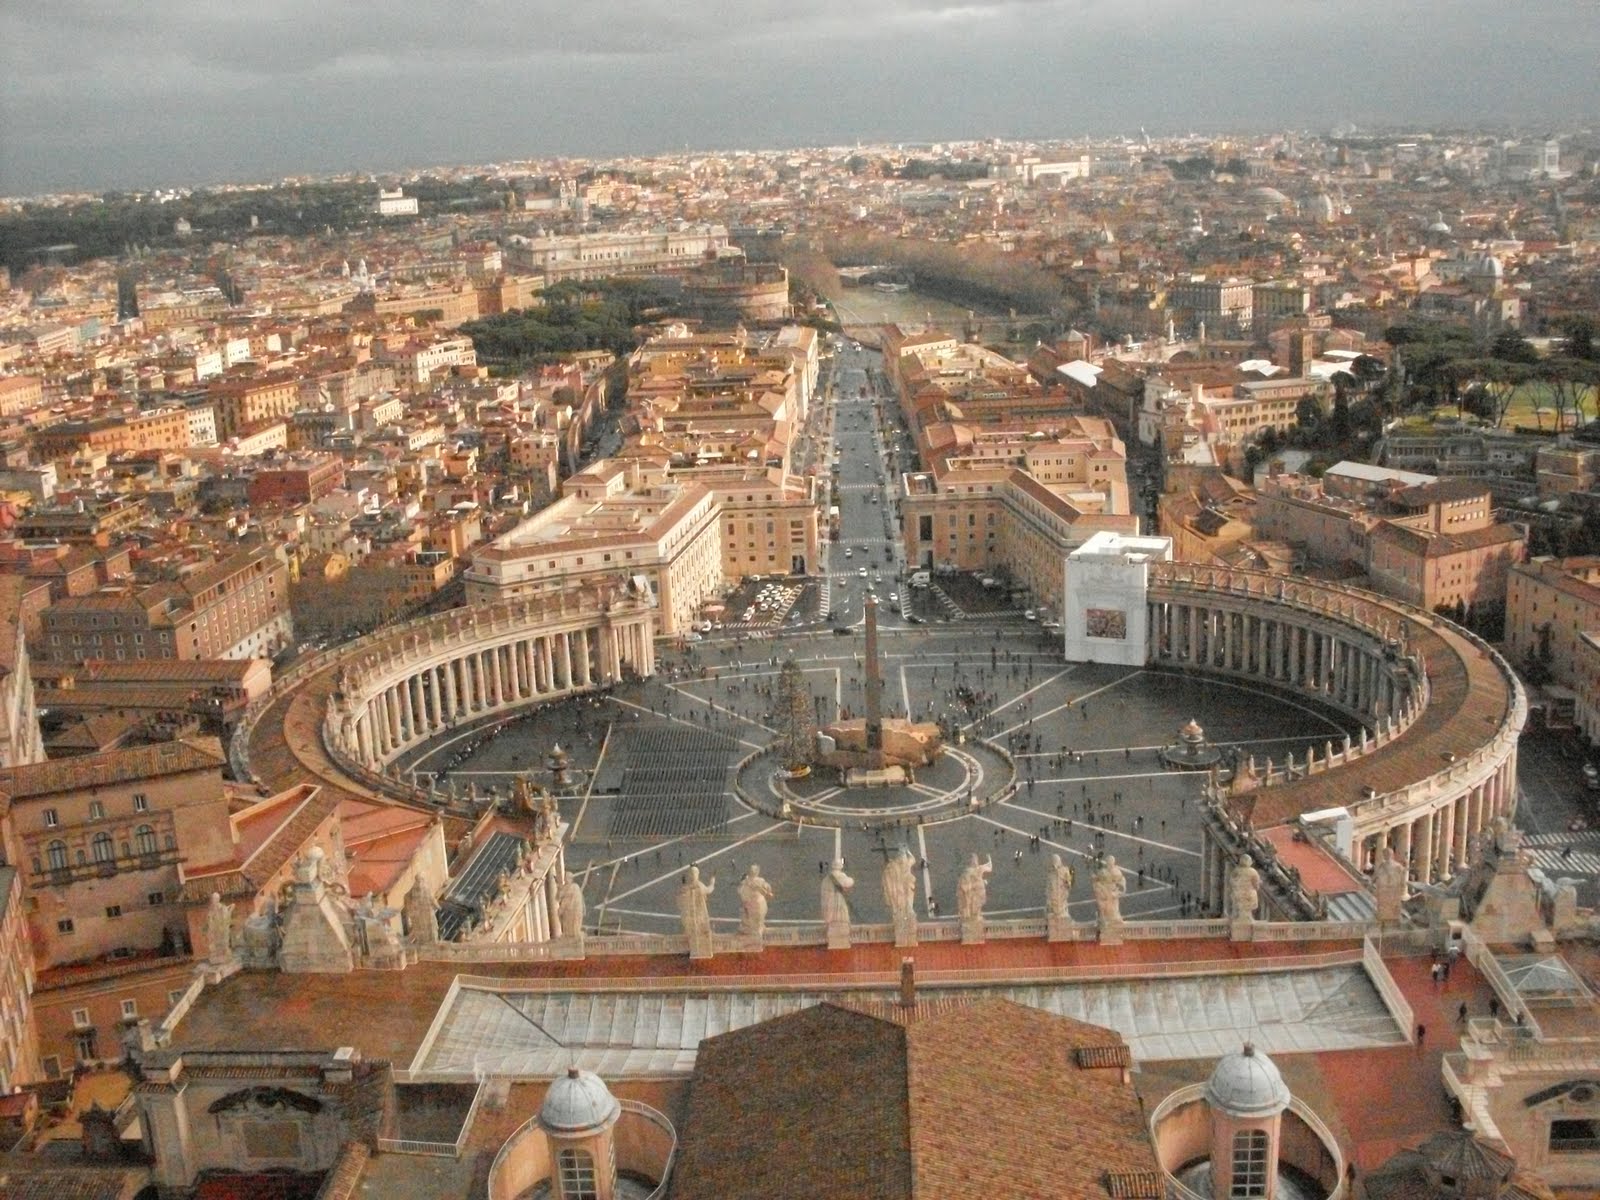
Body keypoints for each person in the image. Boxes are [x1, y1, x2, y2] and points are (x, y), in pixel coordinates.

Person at [882, 846, 918, 925]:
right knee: (900, 899)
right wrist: (908, 852)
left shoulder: (899, 865)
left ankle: (904, 911)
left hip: (905, 886)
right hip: (902, 886)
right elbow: (912, 859)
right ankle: (903, 912)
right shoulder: (901, 865)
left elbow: (912, 859)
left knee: (904, 899)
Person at [737, 864, 774, 938]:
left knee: (754, 921)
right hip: (758, 904)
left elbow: (740, 892)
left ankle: (755, 935)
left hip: (751, 905)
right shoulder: (760, 881)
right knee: (757, 922)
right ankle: (757, 934)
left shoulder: (747, 882)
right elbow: (768, 888)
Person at [957, 853, 993, 921]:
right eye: (975, 860)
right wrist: (989, 858)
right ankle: (974, 917)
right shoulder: (979, 868)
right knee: (975, 908)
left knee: (972, 907)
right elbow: (990, 867)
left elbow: (964, 887)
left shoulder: (968, 871)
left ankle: (972, 916)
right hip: (977, 893)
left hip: (973, 894)